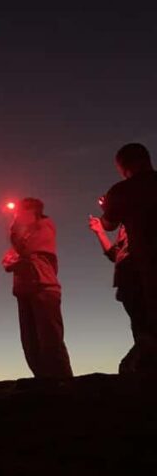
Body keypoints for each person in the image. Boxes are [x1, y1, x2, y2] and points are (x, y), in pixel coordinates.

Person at [99, 143, 157, 377]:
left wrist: (105, 209)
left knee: (144, 326)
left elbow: (109, 223)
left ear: (122, 167)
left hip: (139, 267)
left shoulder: (122, 191)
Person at [2, 198, 73, 382]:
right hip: (24, 290)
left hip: (44, 288)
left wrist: (15, 258)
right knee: (30, 343)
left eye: (19, 211)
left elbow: (26, 254)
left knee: (50, 341)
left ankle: (65, 384)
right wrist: (13, 259)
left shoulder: (44, 226)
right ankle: (45, 383)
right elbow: (11, 258)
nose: (15, 214)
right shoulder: (23, 235)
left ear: (31, 210)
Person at [87, 218, 145, 374]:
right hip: (128, 281)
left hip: (141, 278)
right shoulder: (125, 224)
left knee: (146, 329)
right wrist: (100, 231)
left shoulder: (142, 217)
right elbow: (116, 254)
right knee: (139, 328)